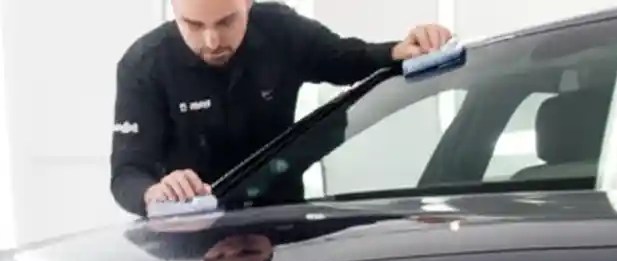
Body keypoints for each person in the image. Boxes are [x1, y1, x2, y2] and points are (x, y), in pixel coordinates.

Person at [111, 0, 453, 216]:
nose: (211, 41)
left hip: (280, 221)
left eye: (226, 21)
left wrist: (403, 49)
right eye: (194, 26)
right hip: (194, 232)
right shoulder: (144, 65)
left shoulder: (281, 31)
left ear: (248, 4)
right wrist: (153, 193)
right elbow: (127, 172)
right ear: (174, 10)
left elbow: (349, 59)